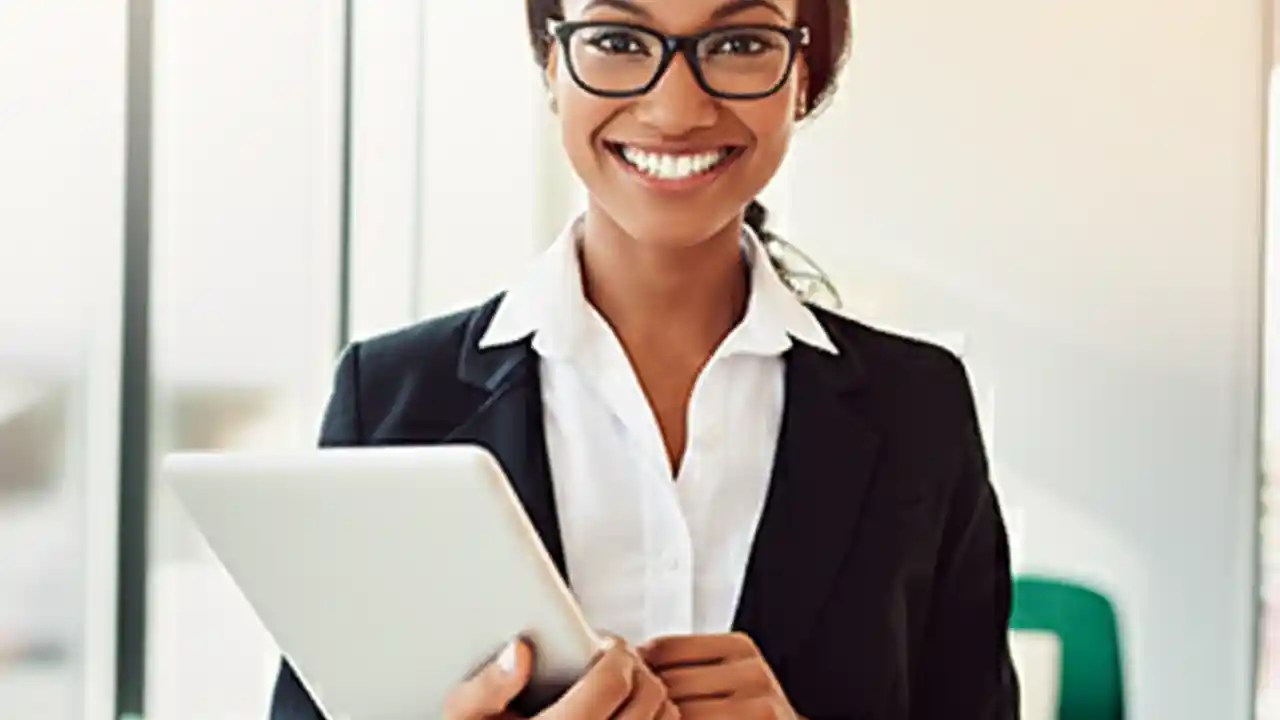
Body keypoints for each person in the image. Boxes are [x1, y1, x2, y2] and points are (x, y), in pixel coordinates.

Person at [271, 0, 1020, 717]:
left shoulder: (919, 409)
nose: (676, 109)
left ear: (802, 73)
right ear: (552, 64)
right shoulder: (390, 400)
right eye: (619, 41)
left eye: (740, 44)